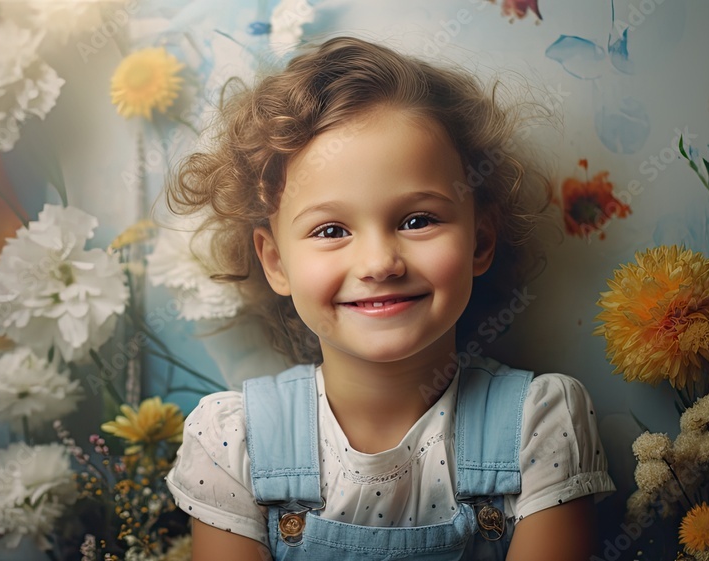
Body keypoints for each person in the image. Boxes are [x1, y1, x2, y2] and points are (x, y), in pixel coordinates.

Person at [163, 36, 615, 561]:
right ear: (276, 263)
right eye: (331, 230)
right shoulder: (234, 443)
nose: (379, 263)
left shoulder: (539, 425)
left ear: (480, 241)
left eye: (417, 220)